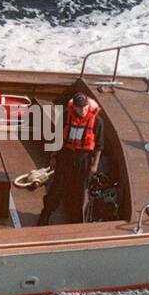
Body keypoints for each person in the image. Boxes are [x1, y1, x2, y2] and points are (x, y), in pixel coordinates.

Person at [37, 93, 103, 226]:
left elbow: (99, 145)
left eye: (85, 107)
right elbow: (59, 137)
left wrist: (94, 165)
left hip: (83, 159)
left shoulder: (97, 121)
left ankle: (76, 221)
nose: (83, 111)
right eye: (79, 108)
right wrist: (54, 157)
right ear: (75, 107)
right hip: (65, 156)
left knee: (79, 191)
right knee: (57, 188)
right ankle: (46, 213)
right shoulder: (67, 116)